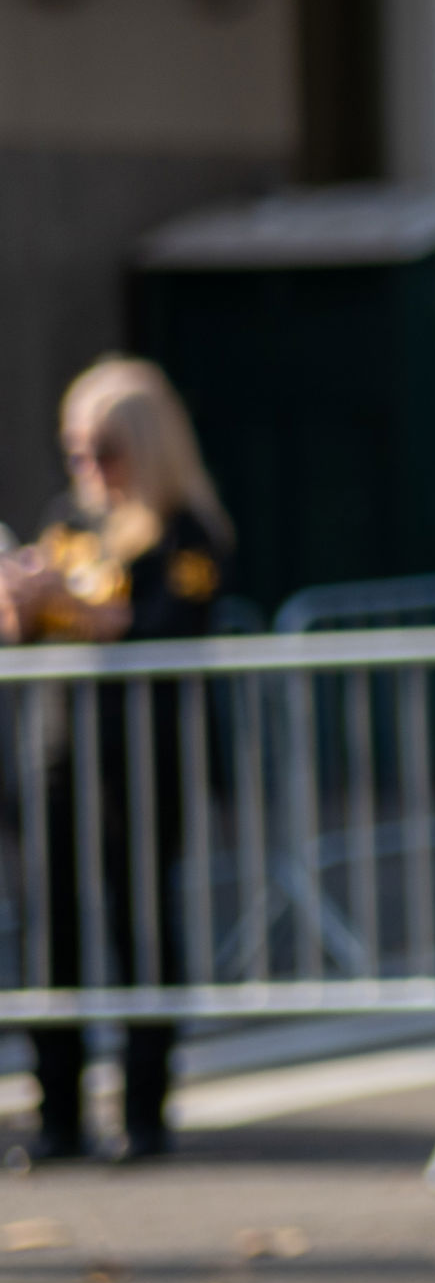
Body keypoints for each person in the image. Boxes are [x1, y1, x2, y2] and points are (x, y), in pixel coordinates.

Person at [1, 358, 234, 1160]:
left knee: (140, 922)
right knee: (48, 930)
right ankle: (56, 1115)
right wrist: (23, 603)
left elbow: (173, 626)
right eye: (74, 450)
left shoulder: (185, 527)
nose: (89, 468)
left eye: (104, 448)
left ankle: (143, 1111)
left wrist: (83, 610)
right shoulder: (68, 519)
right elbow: (31, 627)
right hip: (58, 744)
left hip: (142, 749)